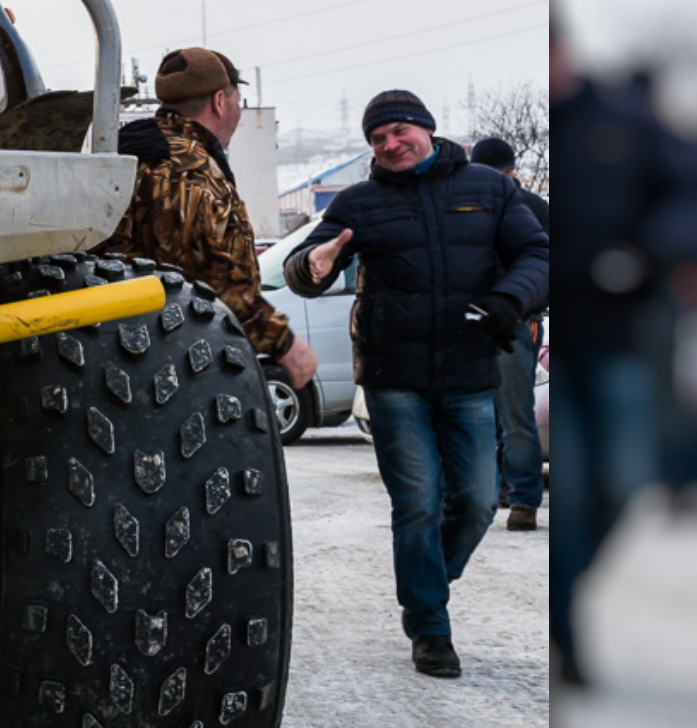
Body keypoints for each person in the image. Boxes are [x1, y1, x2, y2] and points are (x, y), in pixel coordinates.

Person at [285, 90, 547, 678]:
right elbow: (305, 261)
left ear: (427, 129)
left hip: (469, 369)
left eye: (399, 131)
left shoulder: (488, 188)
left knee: (478, 501)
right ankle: (430, 626)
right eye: (378, 139)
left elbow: (537, 252)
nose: (390, 144)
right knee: (418, 504)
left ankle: (429, 579)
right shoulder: (360, 202)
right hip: (393, 376)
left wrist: (510, 299)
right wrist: (311, 265)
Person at [551, 31, 673, 687]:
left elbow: (684, 197)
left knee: (625, 484)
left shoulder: (622, 125)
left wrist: (645, 252)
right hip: (560, 348)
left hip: (621, 335)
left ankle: (562, 593)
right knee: (567, 498)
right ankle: (566, 633)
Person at [99, 47, 318, 389]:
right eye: (237, 100)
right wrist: (282, 341)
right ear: (220, 101)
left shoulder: (158, 153)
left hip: (140, 355)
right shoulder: (181, 165)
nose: (238, 112)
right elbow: (199, 264)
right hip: (170, 363)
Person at [470, 136, 548, 531]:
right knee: (498, 416)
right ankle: (511, 494)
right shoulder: (476, 209)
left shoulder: (530, 210)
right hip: (485, 323)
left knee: (509, 416)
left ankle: (522, 499)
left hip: (512, 323)